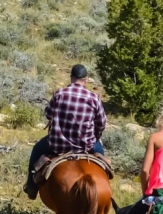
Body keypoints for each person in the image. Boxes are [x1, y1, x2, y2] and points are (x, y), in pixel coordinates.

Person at [23, 64, 107, 199]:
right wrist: (95, 136)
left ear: (71, 78)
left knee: (37, 150)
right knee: (101, 154)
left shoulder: (59, 93)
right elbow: (101, 123)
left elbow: (48, 114)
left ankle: (31, 187)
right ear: (85, 79)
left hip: (58, 145)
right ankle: (105, 185)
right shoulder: (94, 98)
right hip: (86, 146)